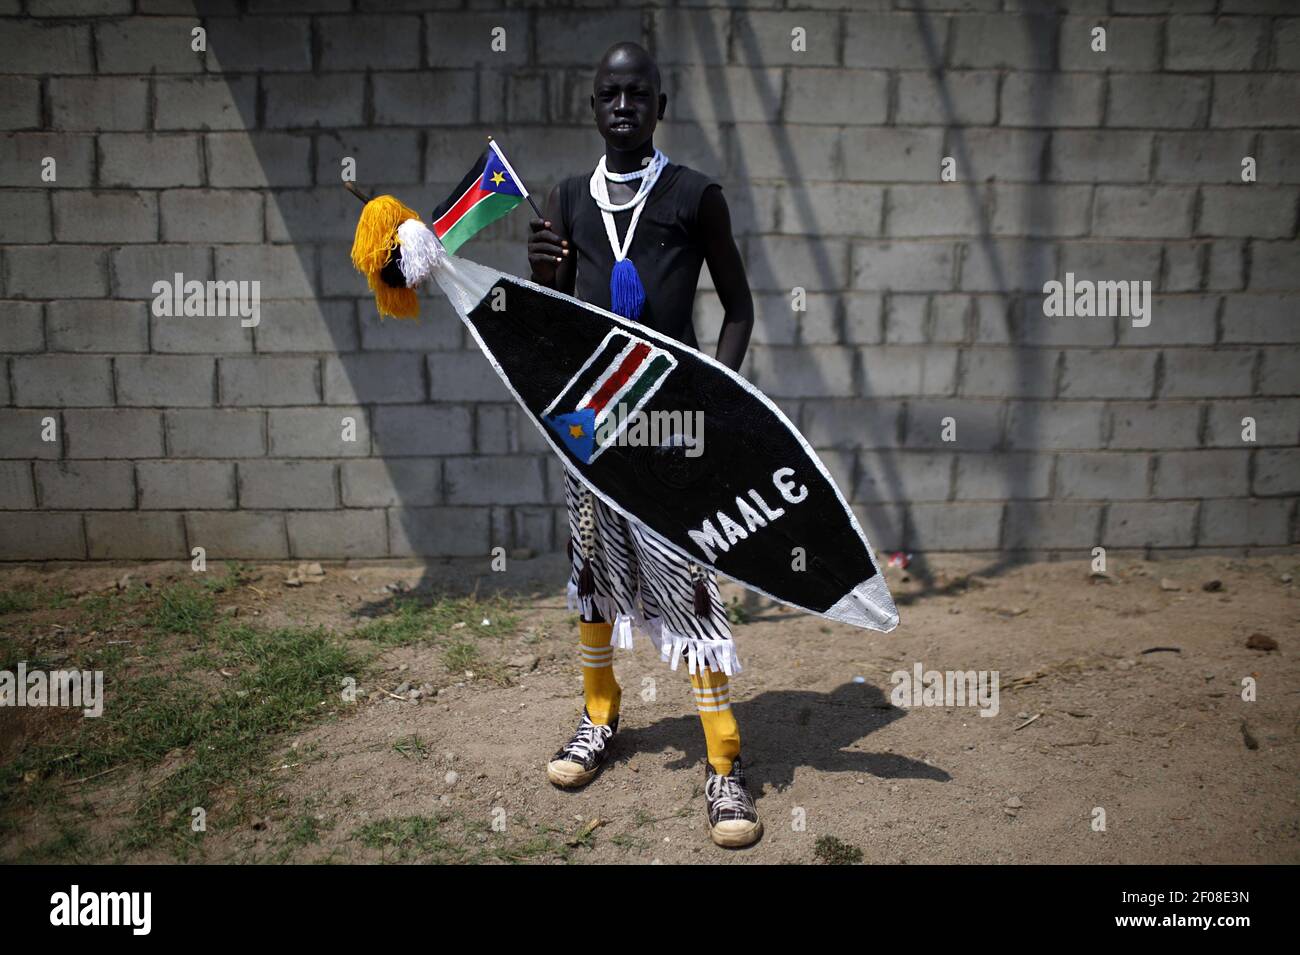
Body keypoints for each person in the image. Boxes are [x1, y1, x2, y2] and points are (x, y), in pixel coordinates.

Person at [527, 41, 761, 848]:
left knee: (689, 587)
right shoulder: (564, 200)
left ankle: (726, 760)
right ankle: (600, 719)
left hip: (671, 429)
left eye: (638, 94)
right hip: (591, 431)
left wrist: (715, 393)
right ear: (592, 108)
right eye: (608, 94)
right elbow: (555, 327)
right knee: (591, 576)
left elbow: (738, 308)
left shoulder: (696, 197)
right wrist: (545, 276)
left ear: (661, 106)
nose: (622, 105)